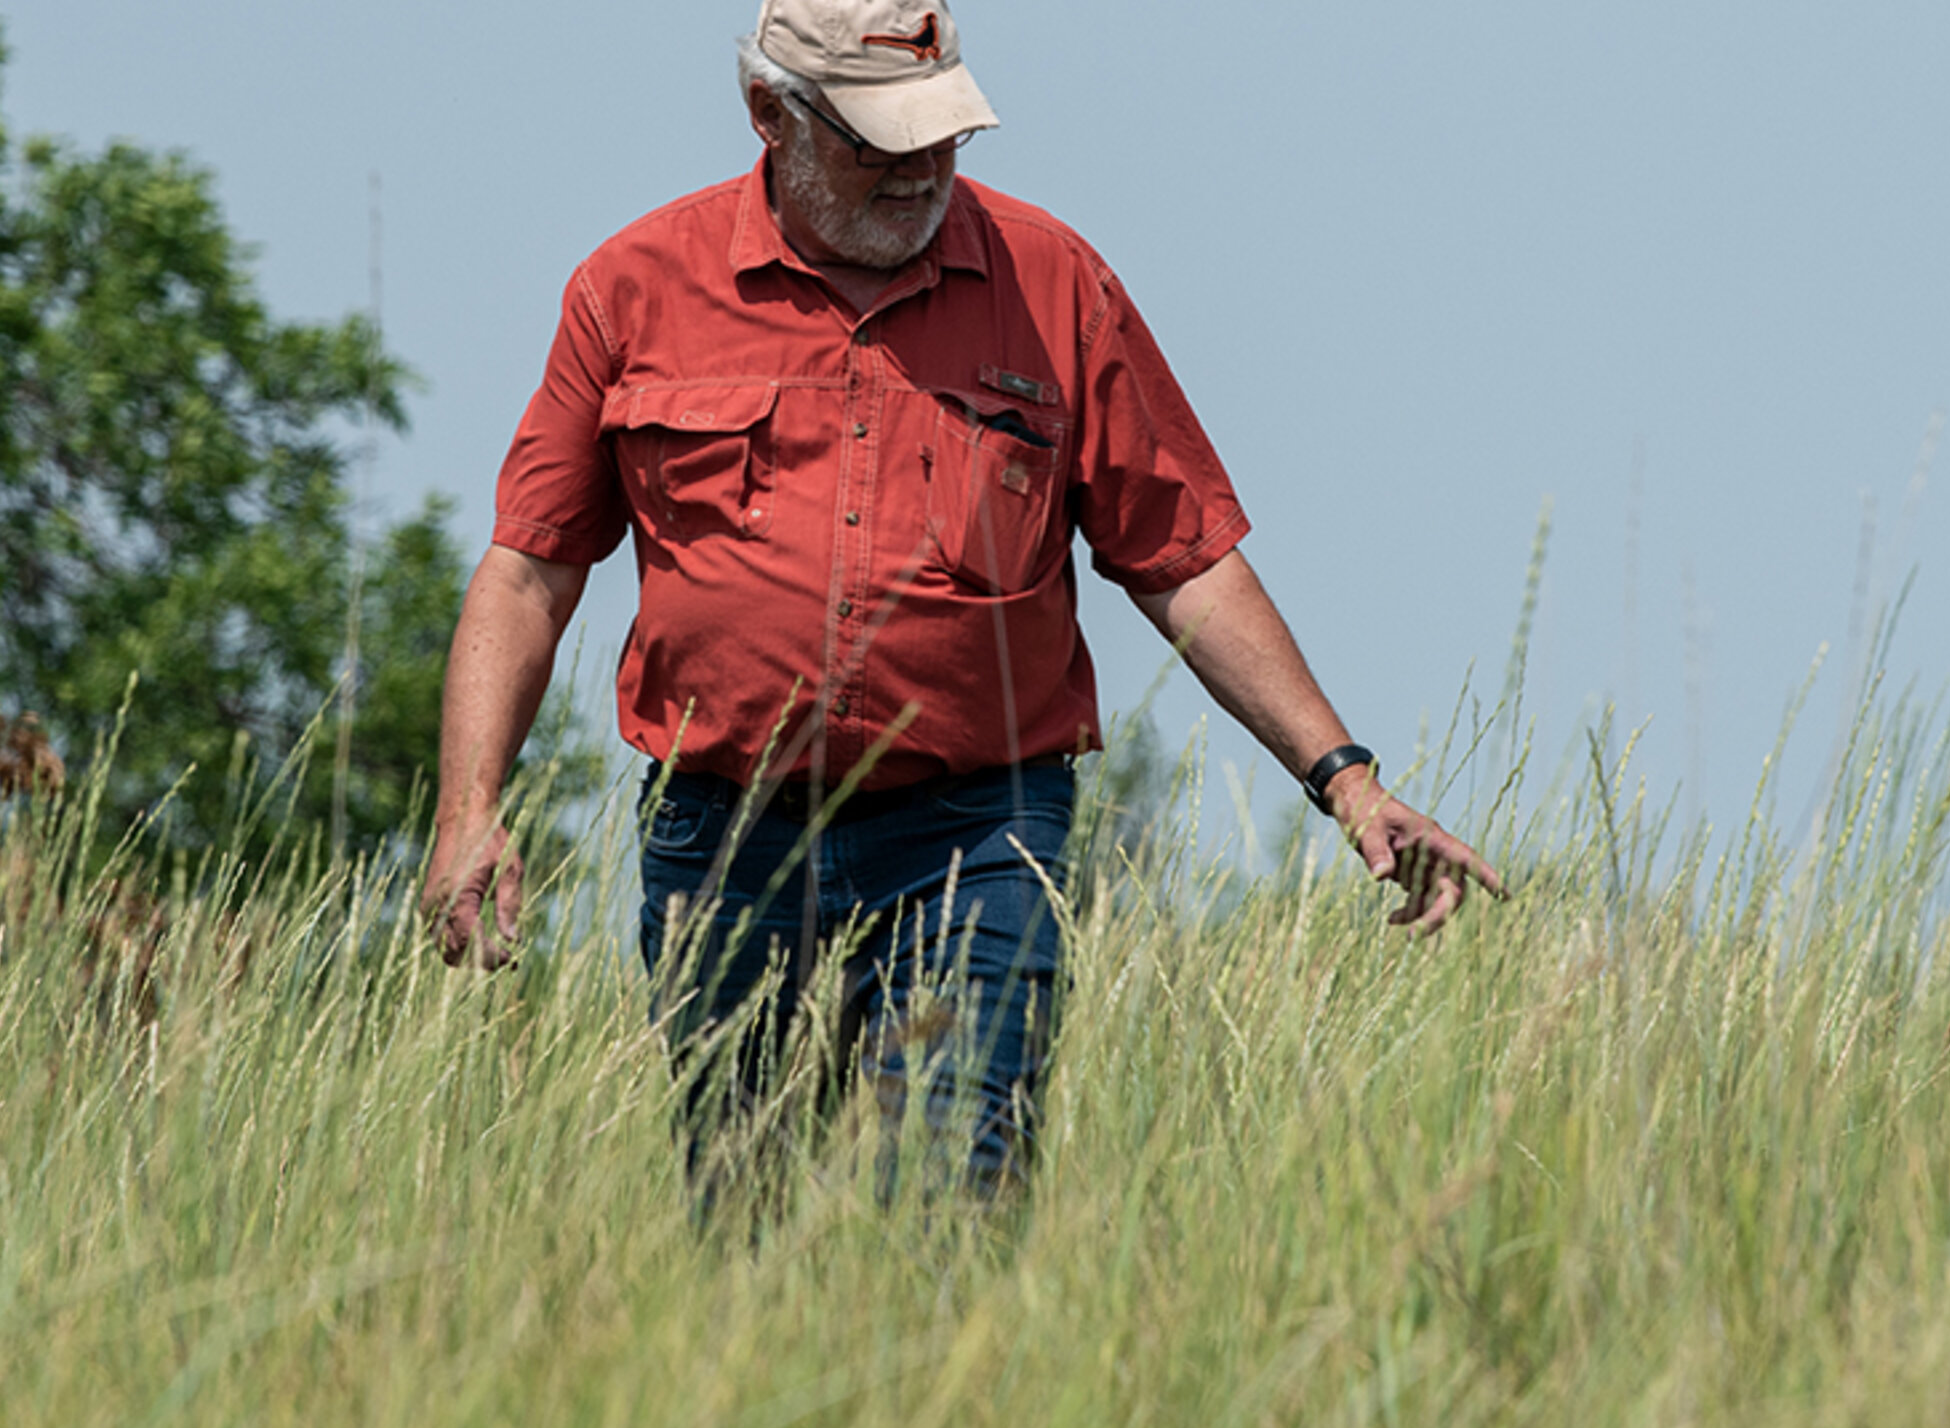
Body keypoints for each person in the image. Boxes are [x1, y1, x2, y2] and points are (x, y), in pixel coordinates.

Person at [420, 0, 1504, 1218]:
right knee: (744, 1208)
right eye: (881, 140)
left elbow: (1183, 557)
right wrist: (470, 810)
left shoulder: (1055, 284)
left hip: (977, 837)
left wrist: (1346, 779)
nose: (922, 169)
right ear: (770, 114)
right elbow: (530, 568)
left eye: (941, 133)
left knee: (958, 1185)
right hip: (722, 840)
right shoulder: (632, 288)